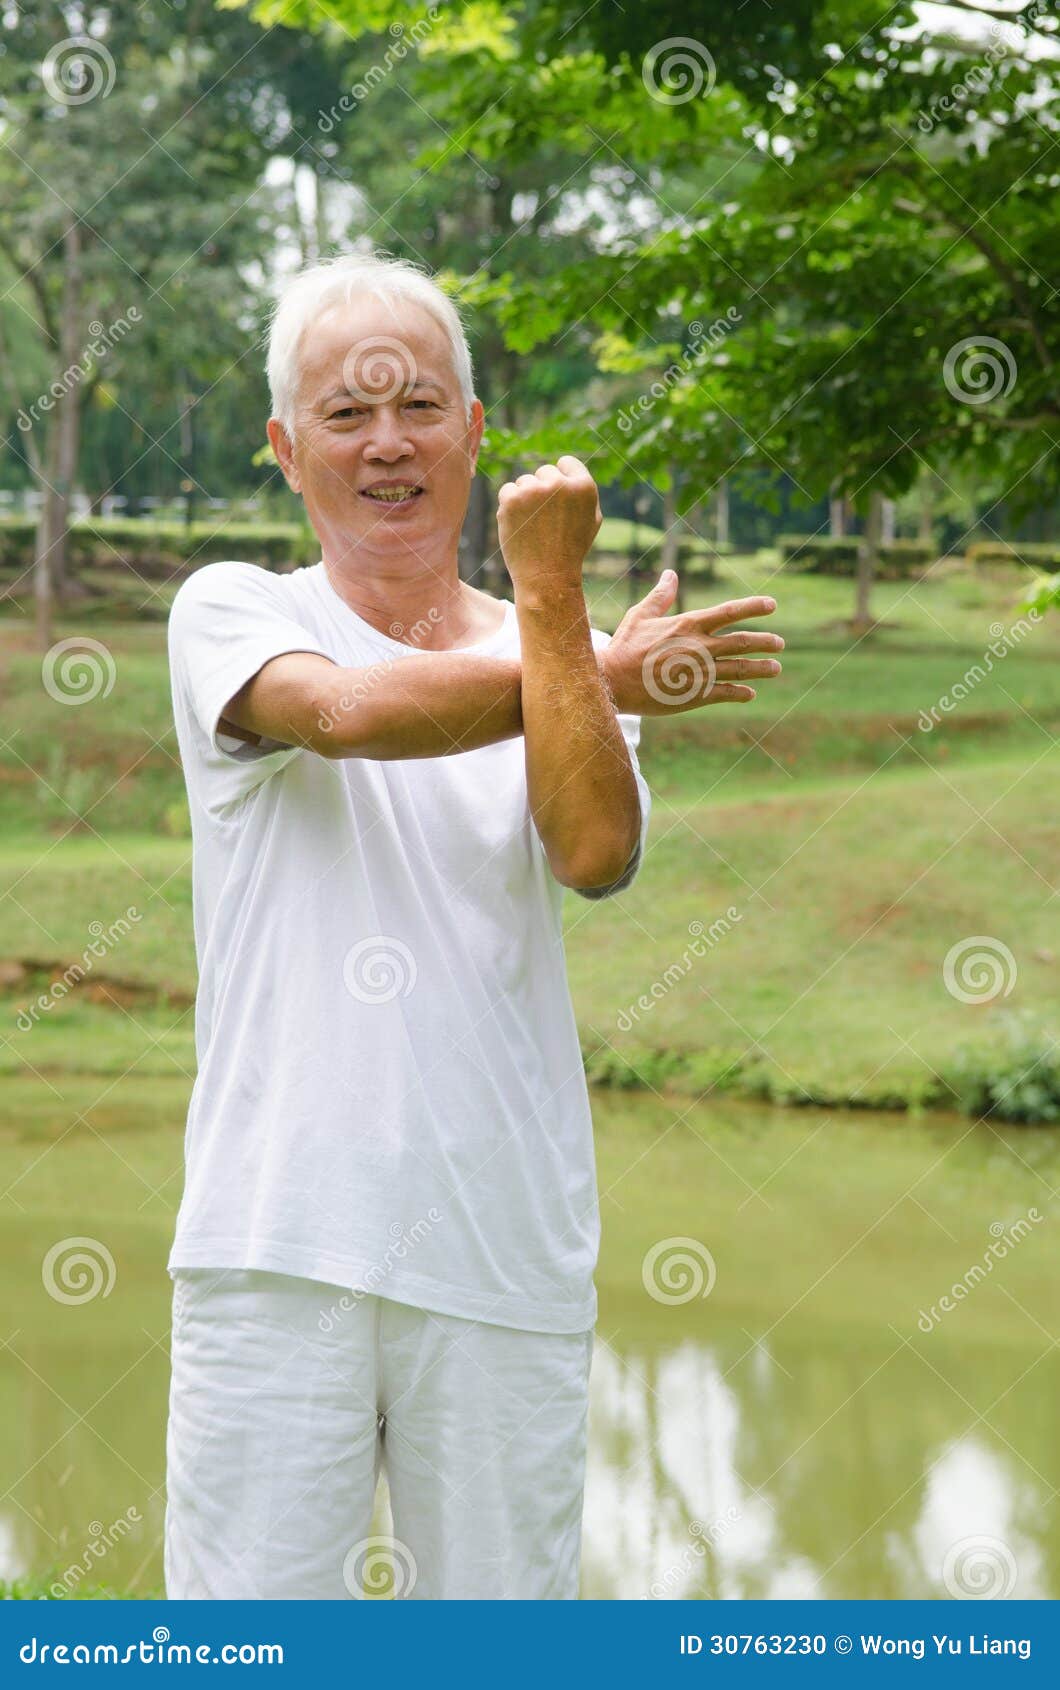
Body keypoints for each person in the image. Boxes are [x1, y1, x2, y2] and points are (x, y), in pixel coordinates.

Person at [163, 252, 783, 1600]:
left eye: (420, 405)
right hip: (279, 1244)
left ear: (476, 429)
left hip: (500, 1246)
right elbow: (340, 715)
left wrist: (559, 617)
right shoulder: (234, 612)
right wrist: (594, 663)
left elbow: (596, 854)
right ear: (284, 448)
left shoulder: (556, 642)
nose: (388, 442)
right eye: (345, 413)